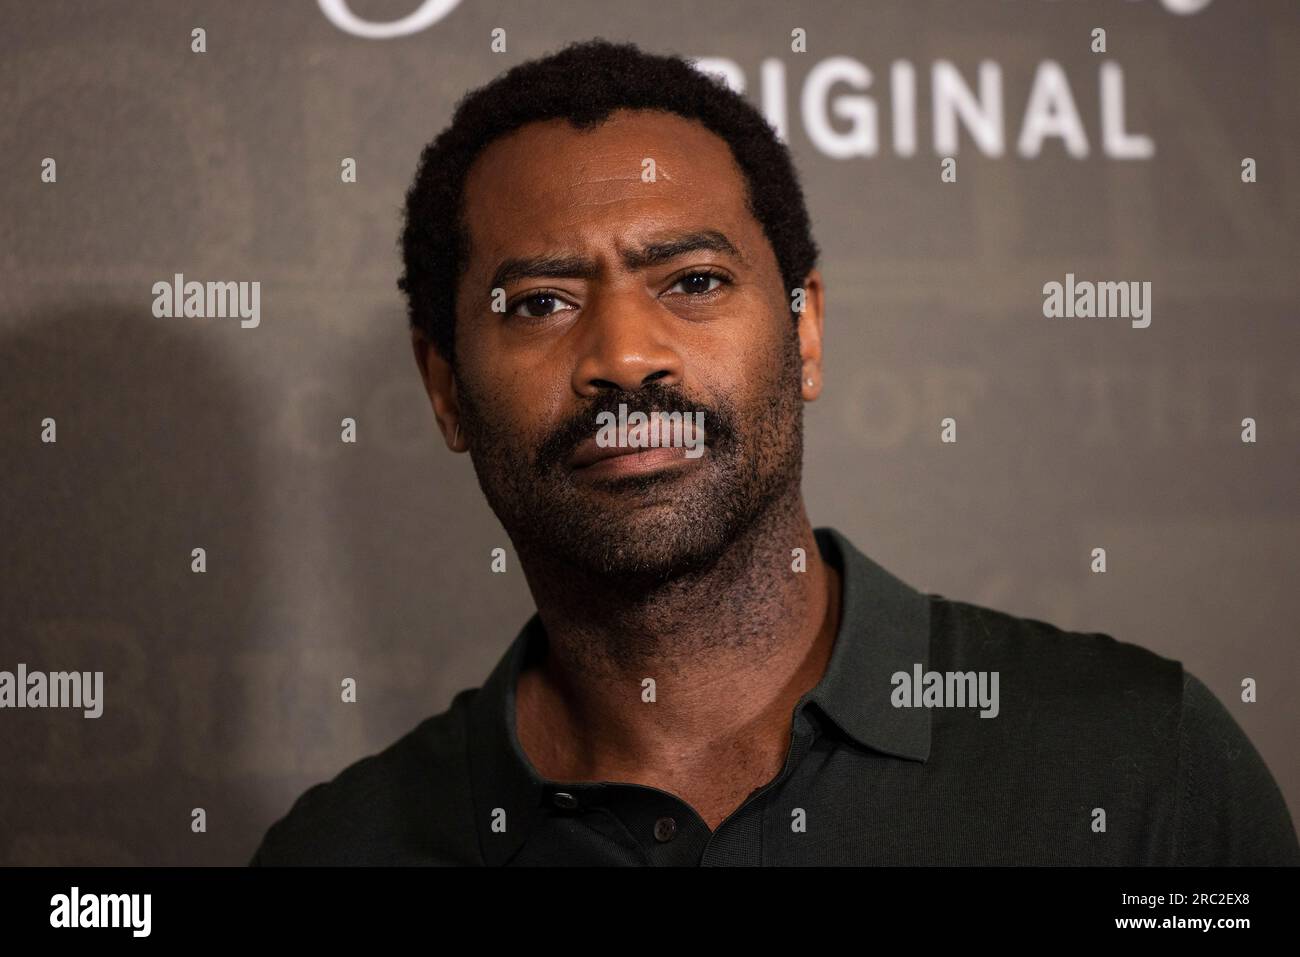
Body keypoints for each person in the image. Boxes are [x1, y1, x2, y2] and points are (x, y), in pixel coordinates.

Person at [250, 39, 1298, 866]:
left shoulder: (1135, 765)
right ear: (444, 389)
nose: (622, 356)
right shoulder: (343, 851)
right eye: (540, 302)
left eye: (693, 282)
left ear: (803, 334)